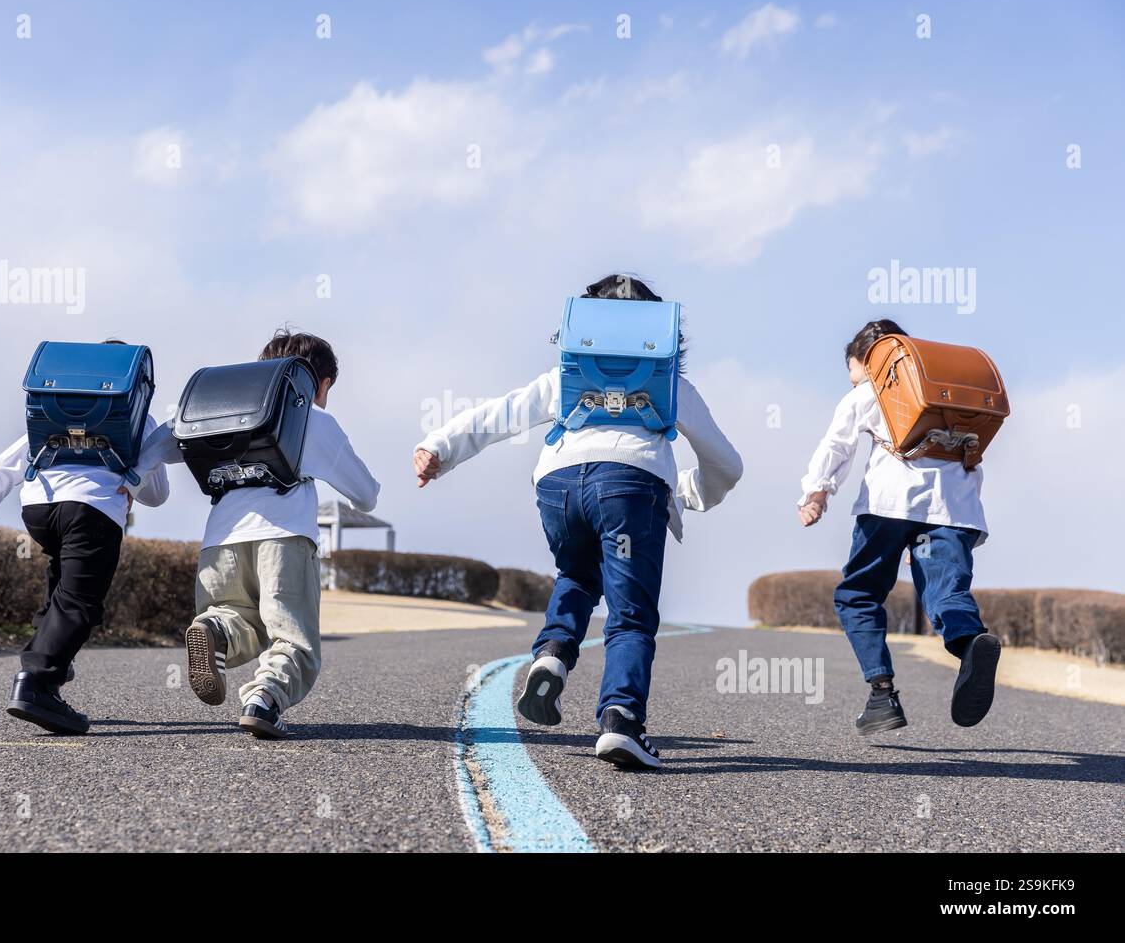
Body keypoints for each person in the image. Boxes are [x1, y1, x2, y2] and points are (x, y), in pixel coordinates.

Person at [414, 274, 743, 769]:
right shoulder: (672, 387)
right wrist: (690, 492)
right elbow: (727, 464)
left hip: (559, 487)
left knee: (577, 574)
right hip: (630, 489)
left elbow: (501, 414)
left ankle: (552, 652)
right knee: (631, 615)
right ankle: (621, 722)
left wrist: (438, 446)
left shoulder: (565, 377)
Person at [136, 329, 380, 738]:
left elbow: (156, 446)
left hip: (220, 540)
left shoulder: (219, 408)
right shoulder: (313, 418)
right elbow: (366, 495)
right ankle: (264, 699)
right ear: (322, 383)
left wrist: (131, 482)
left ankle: (215, 631)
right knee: (293, 640)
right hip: (285, 537)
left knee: (237, 616)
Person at [0, 341, 169, 735]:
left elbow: (6, 466)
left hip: (40, 509)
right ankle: (37, 683)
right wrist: (133, 482)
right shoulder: (139, 417)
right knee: (80, 601)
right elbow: (157, 495)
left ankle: (54, 655)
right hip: (92, 510)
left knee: (64, 583)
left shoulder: (58, 406)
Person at [798, 318, 1001, 735]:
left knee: (859, 594)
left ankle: (881, 693)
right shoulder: (943, 389)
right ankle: (969, 643)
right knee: (946, 591)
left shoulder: (869, 390)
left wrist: (816, 493)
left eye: (851, 367)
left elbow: (836, 444)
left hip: (888, 506)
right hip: (952, 509)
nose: (852, 377)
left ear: (866, 359)